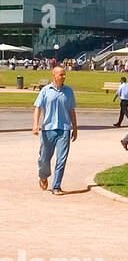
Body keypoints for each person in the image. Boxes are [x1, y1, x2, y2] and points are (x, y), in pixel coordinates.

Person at [33, 65, 78, 195]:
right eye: (61, 74)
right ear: (54, 75)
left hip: (64, 129)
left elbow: (71, 110)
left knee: (61, 159)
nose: (63, 77)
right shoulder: (46, 91)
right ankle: (43, 175)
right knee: (44, 158)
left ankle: (56, 186)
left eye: (64, 74)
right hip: (48, 129)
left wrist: (74, 128)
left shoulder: (68, 91)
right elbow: (38, 107)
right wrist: (35, 124)